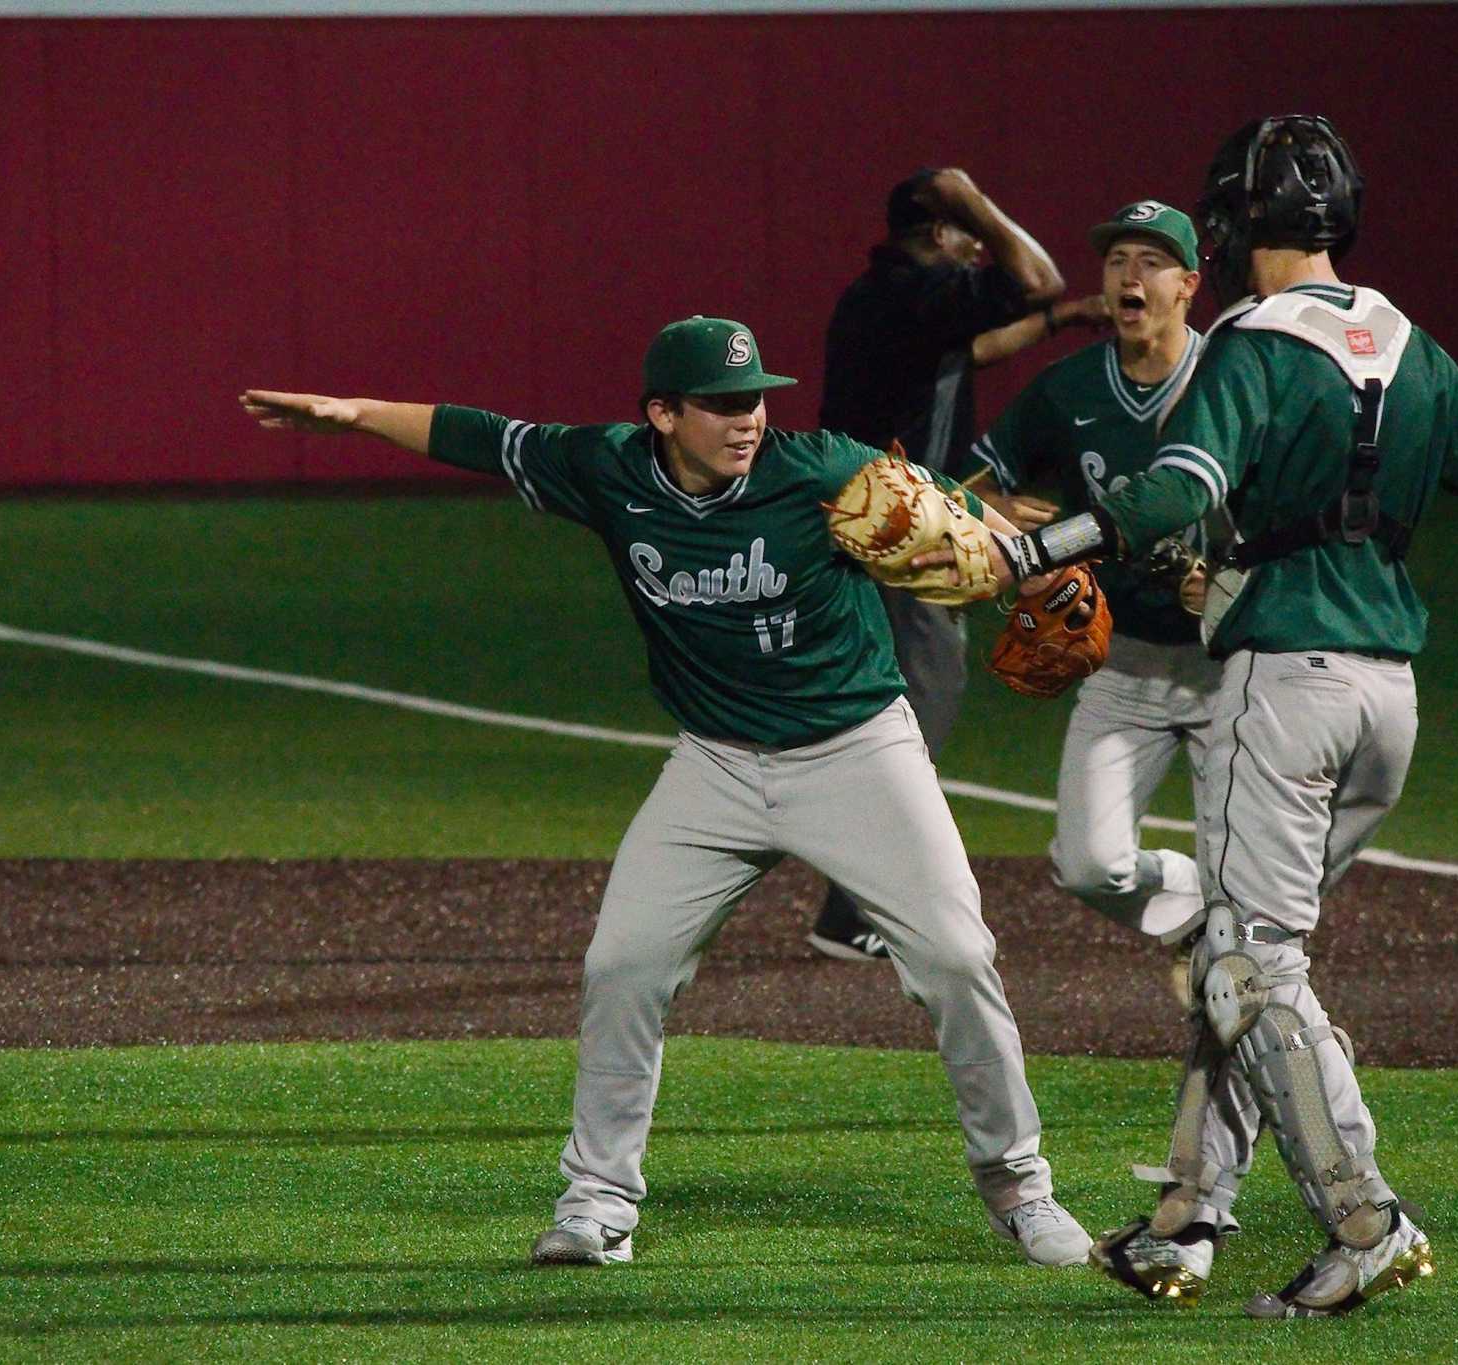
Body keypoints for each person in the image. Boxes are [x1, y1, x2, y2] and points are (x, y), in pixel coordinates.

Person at [948, 116, 1458, 1316]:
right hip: (1387, 702)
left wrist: (1033, 546)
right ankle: (1185, 1221)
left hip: (1283, 686)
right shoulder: (1406, 342)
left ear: (1229, 223)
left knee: (1249, 970)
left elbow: (1173, 494)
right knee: (1240, 953)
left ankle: (1364, 1219)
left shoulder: (1250, 344)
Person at [238, 315, 1092, 1272]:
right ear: (662, 414)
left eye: (754, 398)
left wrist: (1035, 554)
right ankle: (597, 1202)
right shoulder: (608, 468)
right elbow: (481, 435)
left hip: (857, 750)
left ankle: (1020, 1188)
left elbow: (952, 505)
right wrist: (354, 413)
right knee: (623, 965)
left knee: (958, 956)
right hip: (714, 765)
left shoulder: (821, 469)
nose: (747, 418)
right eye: (722, 403)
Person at [807, 167, 1109, 962]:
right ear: (938, 231)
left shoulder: (884, 298)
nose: (977, 246)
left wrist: (1062, 322)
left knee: (883, 713)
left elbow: (972, 348)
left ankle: (853, 895)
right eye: (963, 233)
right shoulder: (917, 293)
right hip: (900, 535)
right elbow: (1038, 277)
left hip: (871, 523)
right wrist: (971, 197)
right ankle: (851, 906)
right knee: (914, 715)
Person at [965, 199, 1216, 942]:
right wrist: (992, 509)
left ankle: (1239, 974)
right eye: (1116, 261)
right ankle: (1190, 892)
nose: (1128, 277)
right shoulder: (1068, 389)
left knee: (1255, 873)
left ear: (1189, 285)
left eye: (1150, 262)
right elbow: (968, 489)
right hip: (1123, 663)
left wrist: (1233, 577)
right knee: (1087, 865)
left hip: (1233, 668)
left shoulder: (1232, 381)